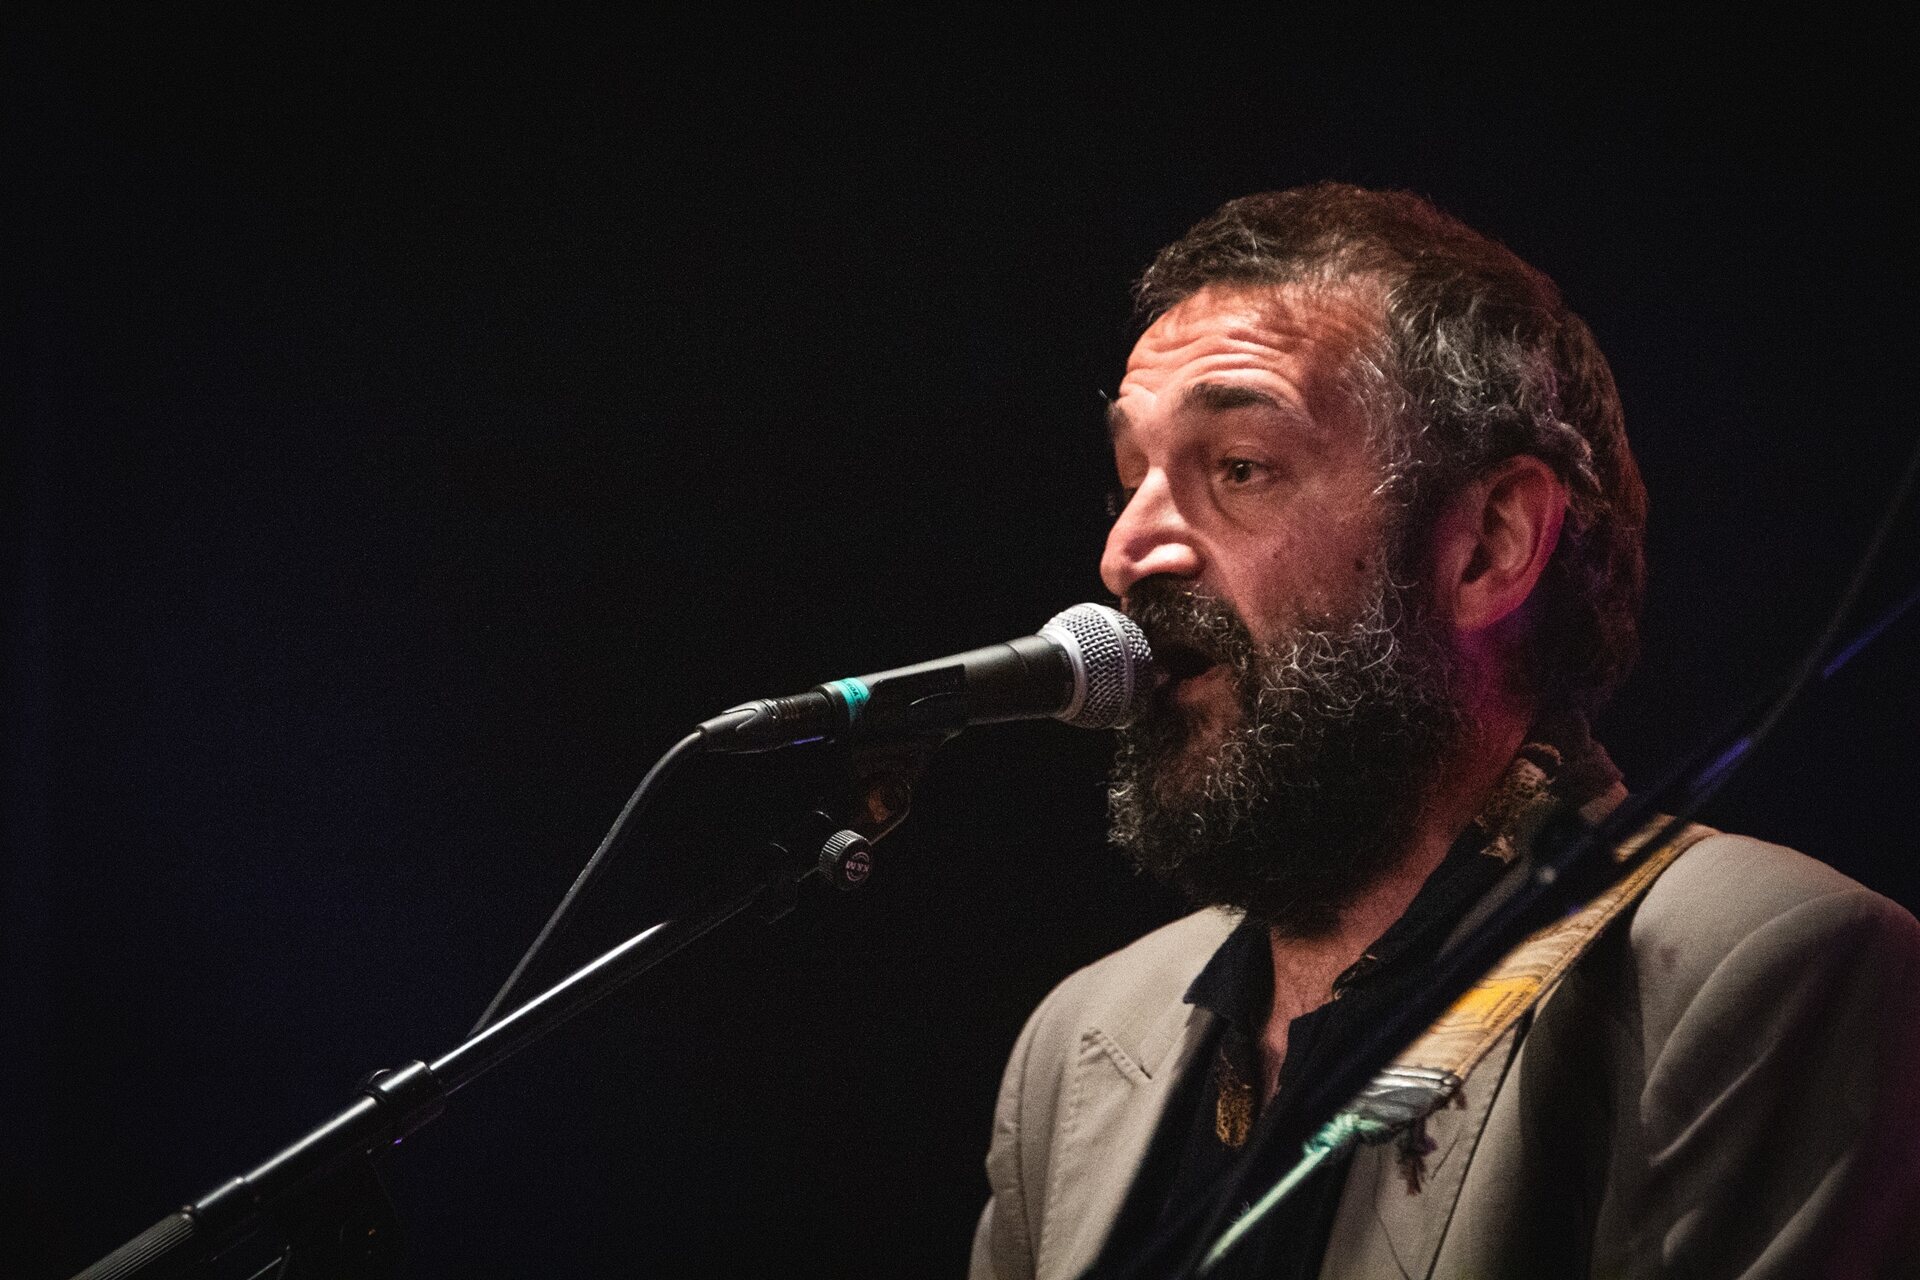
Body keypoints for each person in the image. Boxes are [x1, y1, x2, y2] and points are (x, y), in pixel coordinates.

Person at [969, 183, 1920, 1280]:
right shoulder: (1079, 1041)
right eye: (1133, 476)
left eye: (1239, 467)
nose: (1130, 550)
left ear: (1489, 544)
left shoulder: (1769, 964)